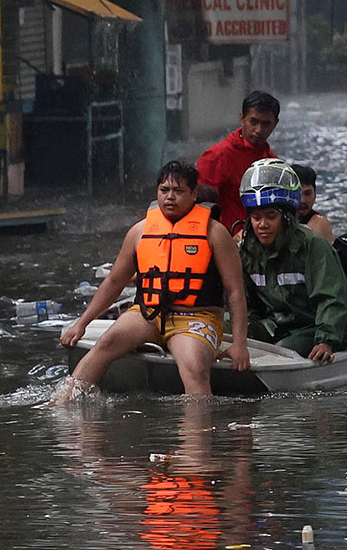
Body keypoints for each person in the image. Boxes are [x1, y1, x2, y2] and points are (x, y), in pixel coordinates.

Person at [55, 161, 250, 399]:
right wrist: (81, 323)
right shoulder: (139, 231)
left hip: (197, 318)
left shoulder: (215, 233)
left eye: (178, 191)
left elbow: (235, 292)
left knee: (194, 369)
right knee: (106, 343)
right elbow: (114, 282)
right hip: (148, 314)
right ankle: (62, 407)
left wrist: (240, 344)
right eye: (164, 190)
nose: (170, 197)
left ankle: (197, 433)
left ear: (194, 194)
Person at [238, 159, 347, 363]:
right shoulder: (247, 249)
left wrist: (326, 341)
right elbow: (245, 302)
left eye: (271, 216)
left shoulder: (312, 244)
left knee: (282, 351)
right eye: (256, 217)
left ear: (285, 218)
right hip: (275, 323)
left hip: (315, 325)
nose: (262, 225)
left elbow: (330, 299)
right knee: (221, 327)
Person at [197, 91, 280, 235]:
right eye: (253, 122)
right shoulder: (217, 156)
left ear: (275, 124)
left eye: (266, 124)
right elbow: (200, 208)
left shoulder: (272, 161)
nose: (259, 130)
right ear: (242, 118)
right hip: (228, 240)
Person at [290, 163, 335, 243]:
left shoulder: (319, 224)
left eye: (307, 193)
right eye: (297, 194)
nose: (303, 200)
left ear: (315, 193)